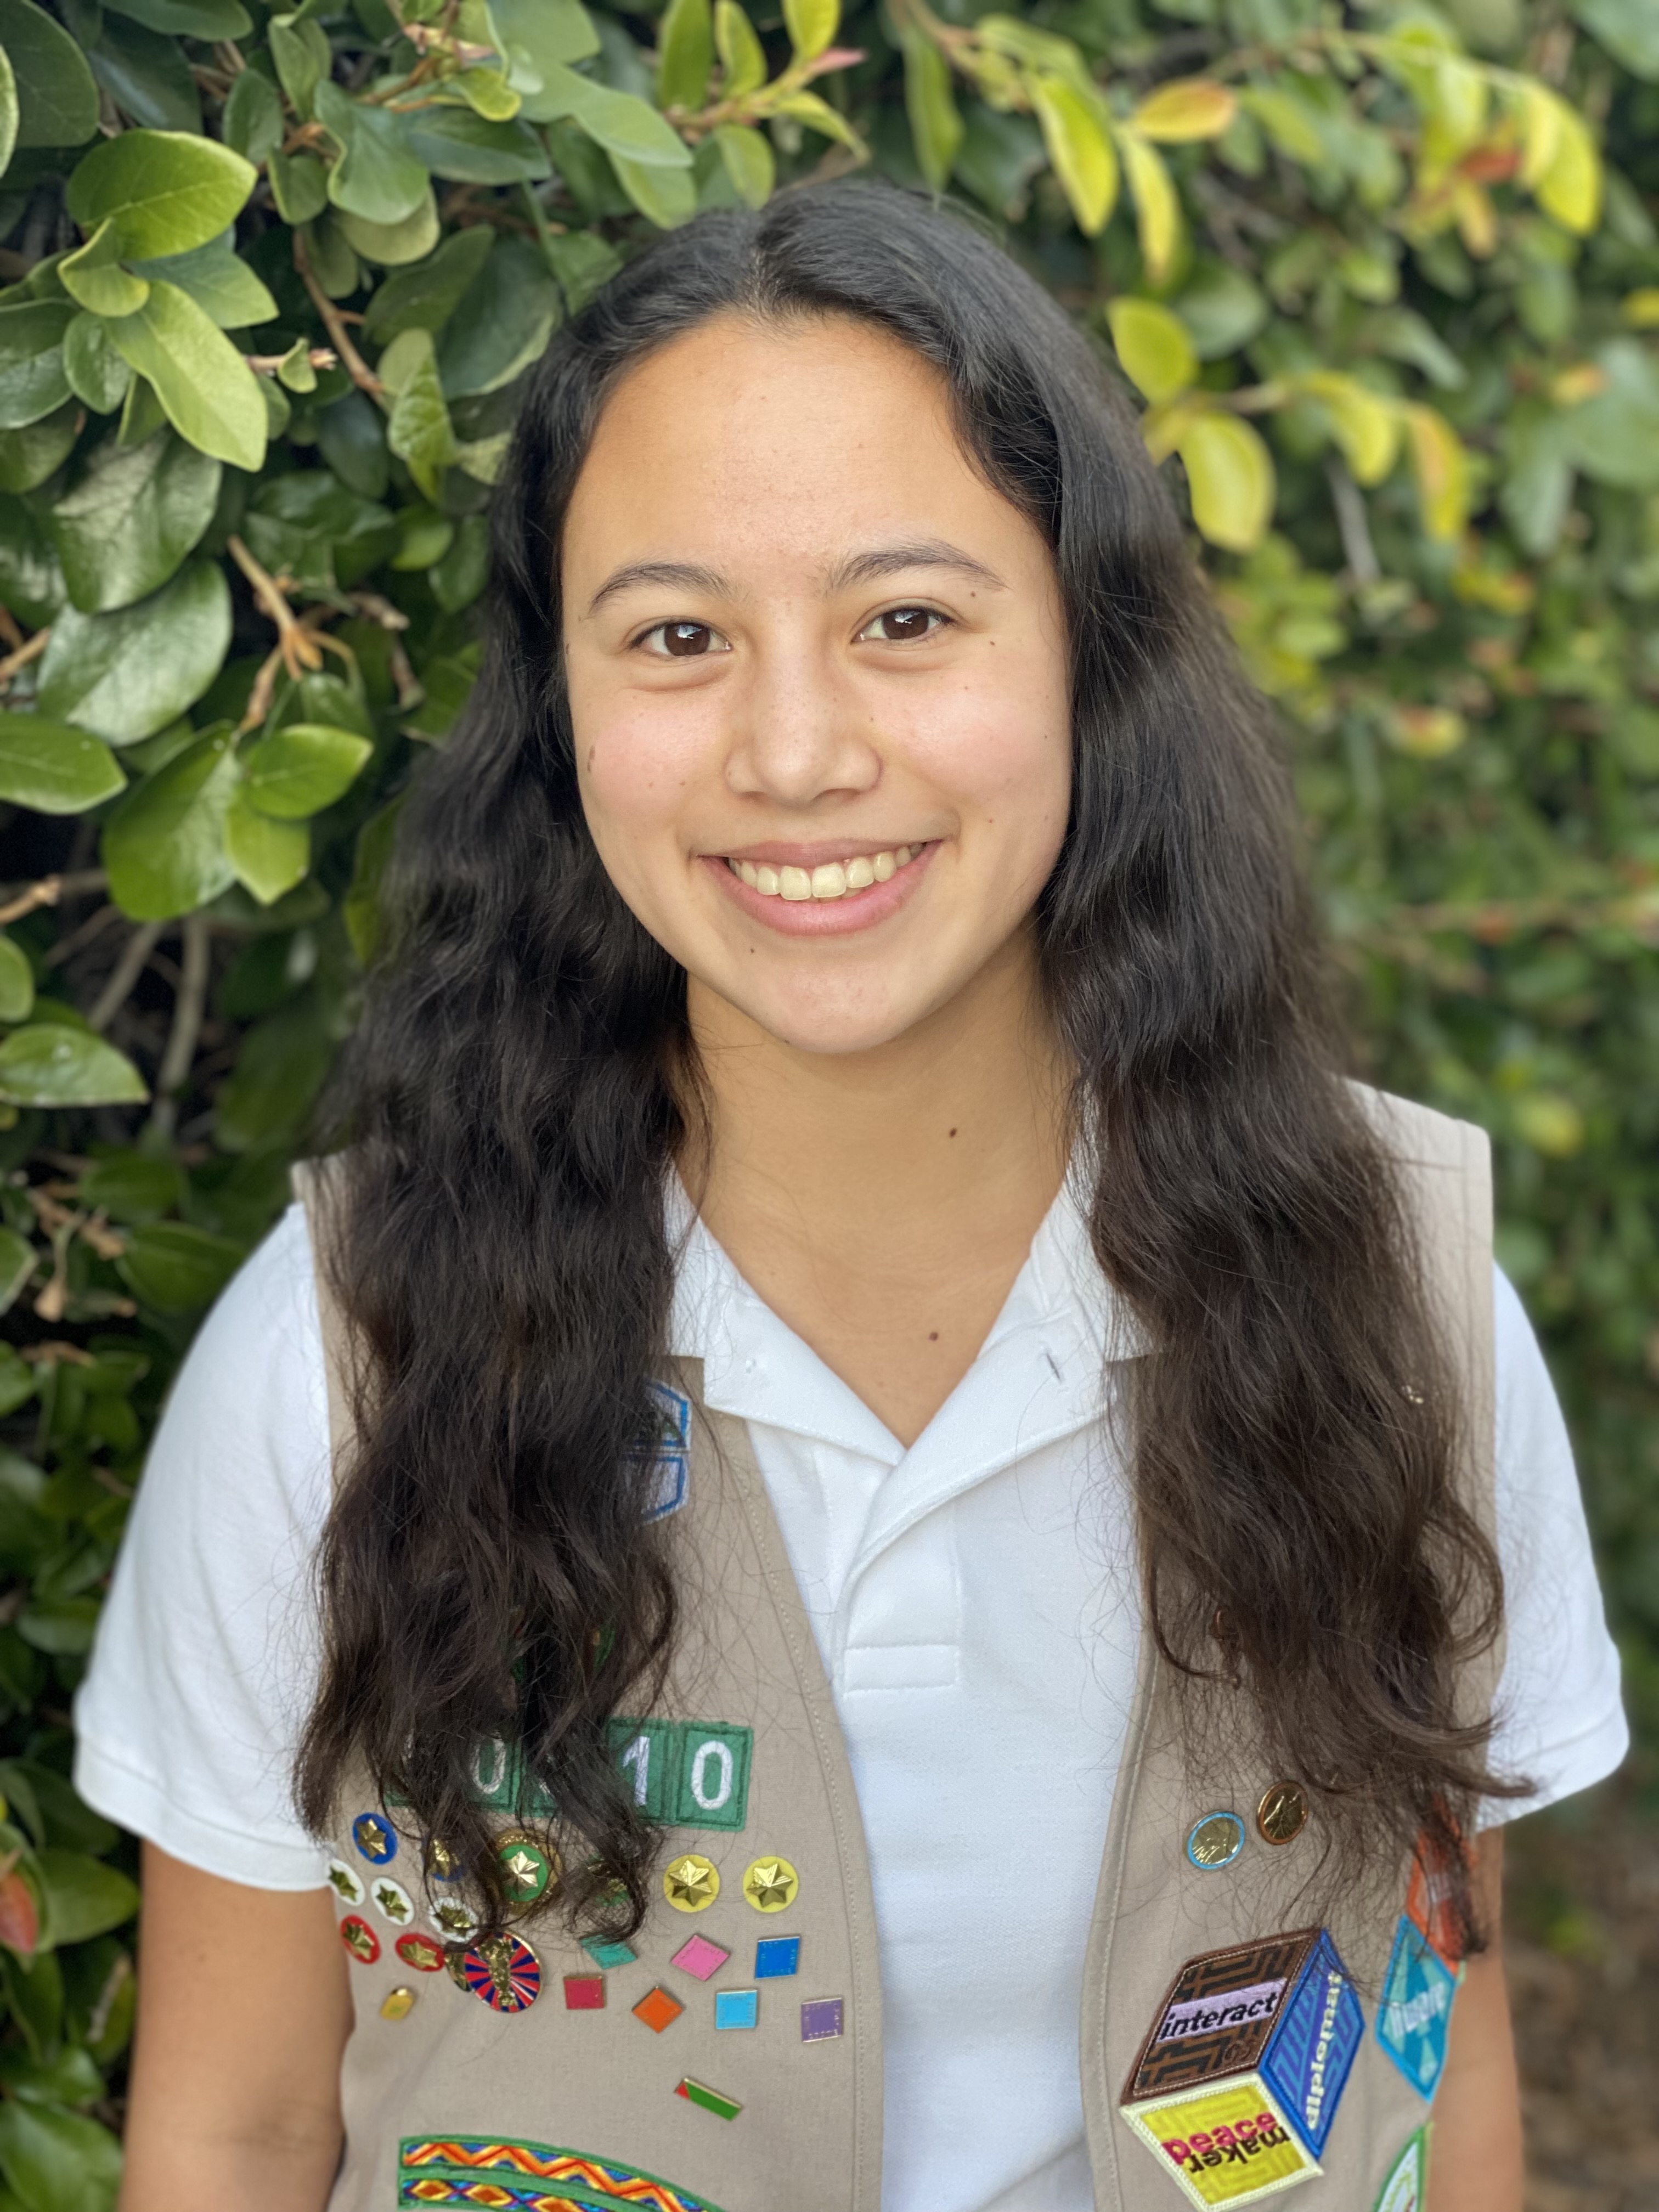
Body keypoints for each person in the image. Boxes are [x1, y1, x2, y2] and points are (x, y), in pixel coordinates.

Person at [77, 183, 1626, 2212]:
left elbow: (1439, 2055)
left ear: (1092, 652)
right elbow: (239, 2133)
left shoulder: (1392, 1308)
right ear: (566, 712)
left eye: (906, 619)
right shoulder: (346, 1359)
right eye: (678, 637)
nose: (794, 749)